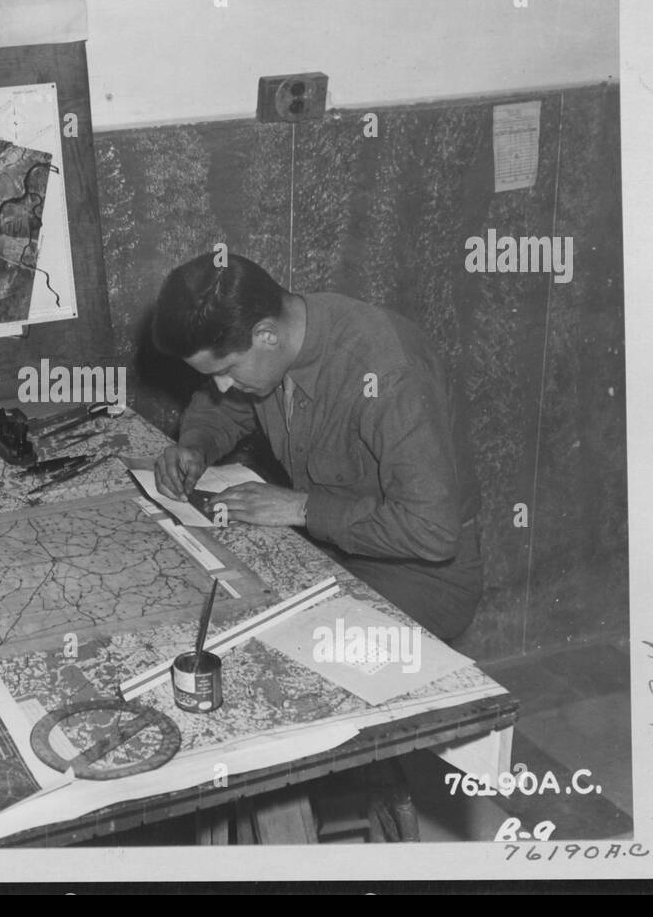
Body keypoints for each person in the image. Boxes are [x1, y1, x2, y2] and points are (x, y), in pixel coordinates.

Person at [151, 252, 482, 642]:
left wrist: (300, 508)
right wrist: (195, 446)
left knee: (276, 653)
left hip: (419, 575)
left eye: (224, 371)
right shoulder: (275, 345)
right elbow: (221, 409)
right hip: (331, 550)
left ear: (266, 335)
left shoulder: (388, 374)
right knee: (196, 609)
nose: (221, 386)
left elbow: (432, 531)